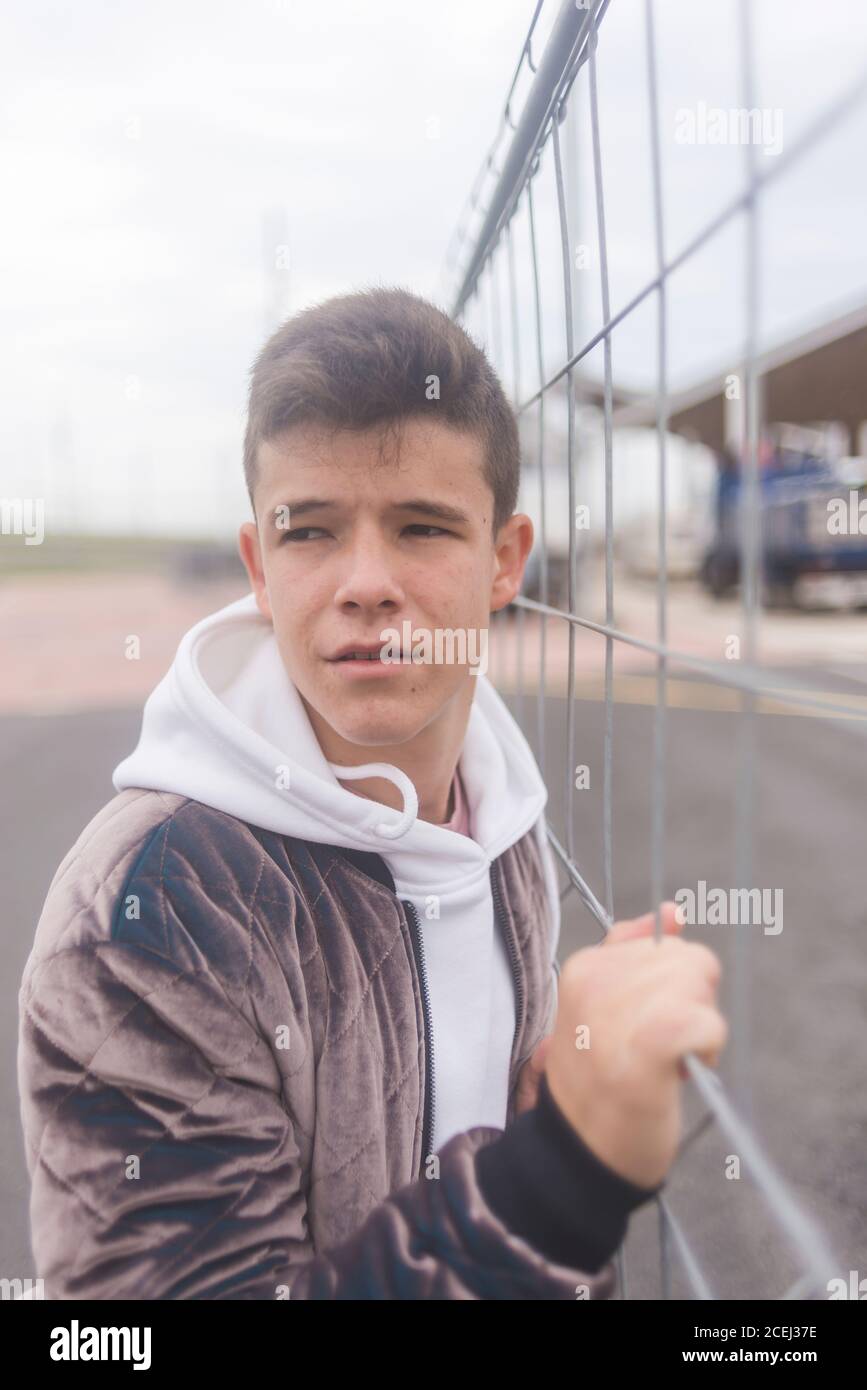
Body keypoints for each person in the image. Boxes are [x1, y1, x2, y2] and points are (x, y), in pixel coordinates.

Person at [17, 287, 726, 1299]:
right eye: (309, 532)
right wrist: (563, 1180)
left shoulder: (501, 820)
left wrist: (557, 1100)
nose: (364, 582)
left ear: (504, 563)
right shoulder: (153, 907)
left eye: (423, 527)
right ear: (259, 568)